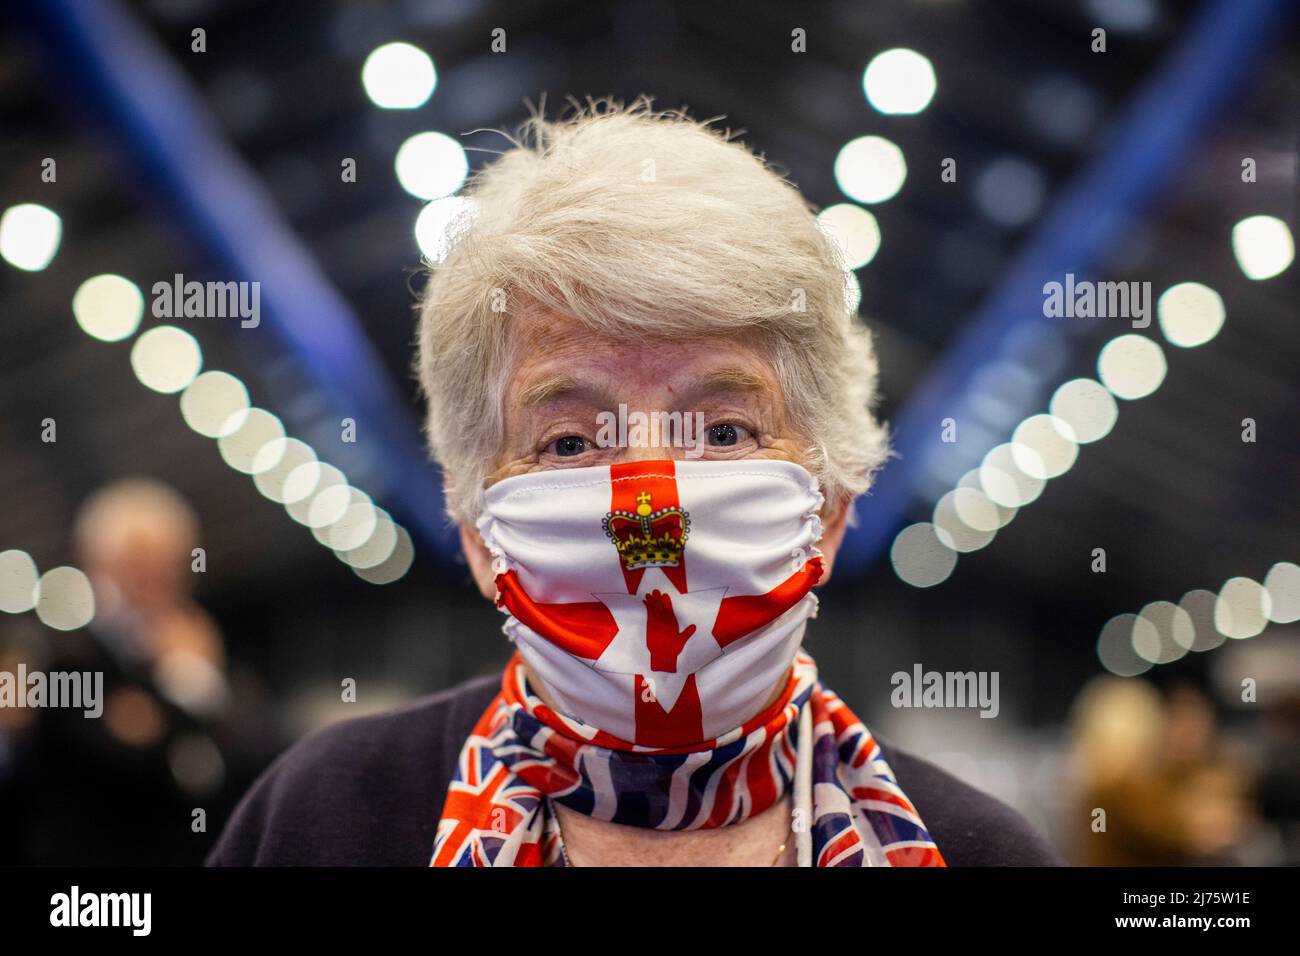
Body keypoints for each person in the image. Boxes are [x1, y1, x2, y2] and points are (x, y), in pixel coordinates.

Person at [208, 99, 1059, 867]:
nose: (651, 504)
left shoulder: (984, 854)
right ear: (475, 528)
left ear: (831, 510)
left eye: (724, 431)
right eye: (571, 441)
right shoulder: (323, 821)